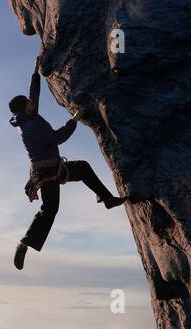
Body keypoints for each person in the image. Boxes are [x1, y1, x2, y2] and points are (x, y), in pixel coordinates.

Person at [10, 56, 126, 270]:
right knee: (50, 209)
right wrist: (74, 119)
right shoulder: (32, 127)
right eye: (29, 104)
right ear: (24, 109)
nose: (32, 103)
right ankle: (25, 243)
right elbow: (57, 138)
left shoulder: (27, 117)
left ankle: (107, 198)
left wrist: (35, 73)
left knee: (81, 169)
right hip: (47, 172)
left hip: (49, 168)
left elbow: (33, 95)